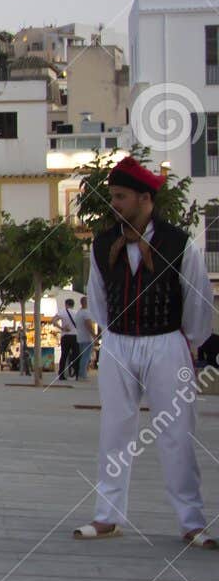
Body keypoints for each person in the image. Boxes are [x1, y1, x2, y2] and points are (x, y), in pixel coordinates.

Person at [73, 157, 215, 547]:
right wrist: (115, 335)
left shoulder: (179, 244)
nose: (114, 204)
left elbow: (198, 301)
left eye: (121, 196)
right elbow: (98, 299)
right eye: (113, 196)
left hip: (166, 341)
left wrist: (185, 342)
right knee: (114, 430)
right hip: (119, 342)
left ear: (144, 198)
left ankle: (192, 521)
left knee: (177, 433)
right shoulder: (104, 244)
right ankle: (107, 515)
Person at [56, 298, 81, 381]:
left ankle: (61, 374)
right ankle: (77, 373)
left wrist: (62, 328)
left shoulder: (62, 312)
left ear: (66, 304)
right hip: (75, 336)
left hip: (65, 336)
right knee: (76, 355)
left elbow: (53, 321)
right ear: (73, 305)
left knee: (64, 355)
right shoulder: (77, 313)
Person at [75, 294, 96, 380]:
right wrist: (94, 336)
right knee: (86, 357)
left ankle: (80, 373)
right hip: (87, 338)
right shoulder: (86, 313)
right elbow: (89, 325)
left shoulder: (78, 313)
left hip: (80, 337)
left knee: (82, 356)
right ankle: (83, 374)